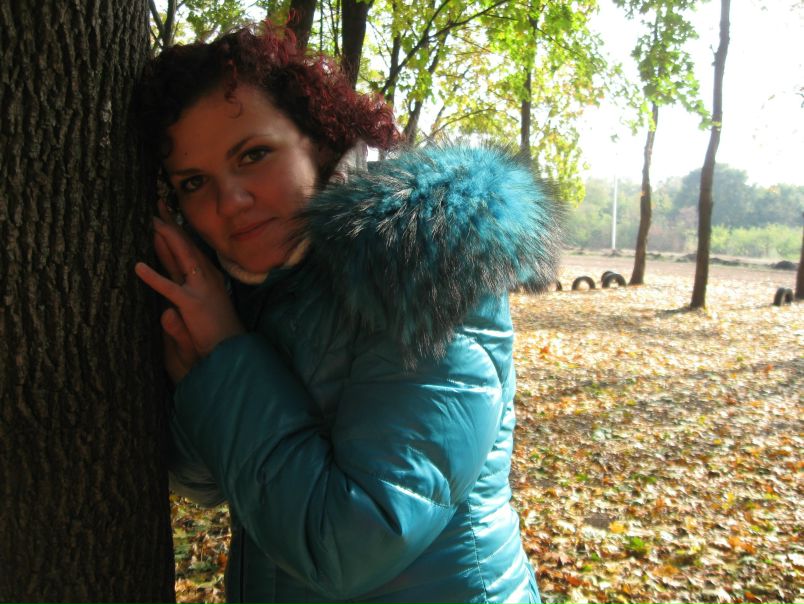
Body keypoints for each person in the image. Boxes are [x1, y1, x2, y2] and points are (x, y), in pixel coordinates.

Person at [135, 23, 561, 604]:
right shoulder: (247, 288)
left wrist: (228, 356)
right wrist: (203, 370)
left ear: (318, 141)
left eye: (254, 155)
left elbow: (352, 544)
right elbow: (204, 482)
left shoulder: (424, 259)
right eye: (193, 182)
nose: (229, 201)